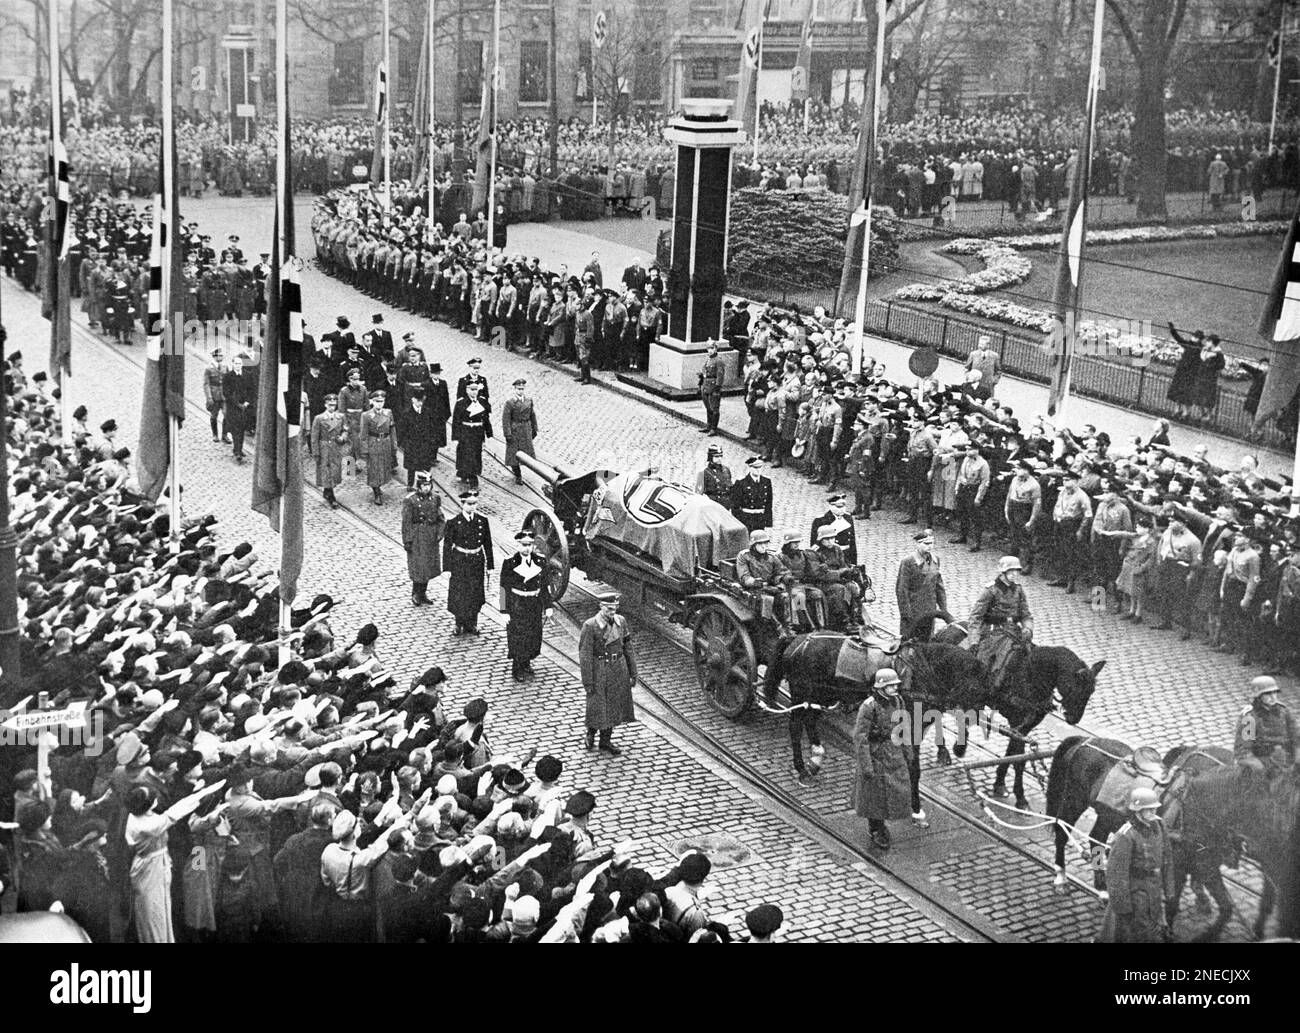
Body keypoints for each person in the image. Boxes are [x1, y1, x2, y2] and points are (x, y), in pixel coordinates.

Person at [851, 668, 923, 851]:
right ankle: (876, 828)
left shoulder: (898, 701)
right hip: (875, 755)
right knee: (874, 796)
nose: (895, 688)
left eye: (895, 685)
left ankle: (883, 824)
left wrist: (909, 752)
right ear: (881, 687)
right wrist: (866, 765)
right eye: (891, 686)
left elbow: (903, 726)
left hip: (894, 751)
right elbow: (860, 737)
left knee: (896, 790)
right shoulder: (869, 706)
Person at [1096, 787, 1174, 944]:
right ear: (1137, 811)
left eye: (1154, 808)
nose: (1153, 812)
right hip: (1134, 892)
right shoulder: (1126, 836)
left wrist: (1169, 889)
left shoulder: (1159, 826)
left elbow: (1167, 859)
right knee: (1134, 932)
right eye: (1148, 810)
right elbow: (1116, 873)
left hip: (1153, 889)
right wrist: (1122, 906)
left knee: (1153, 925)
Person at [578, 592, 637, 756]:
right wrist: (587, 682)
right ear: (601, 607)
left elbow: (628, 648)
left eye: (615, 609)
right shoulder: (590, 626)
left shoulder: (621, 622)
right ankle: (591, 732)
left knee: (614, 705)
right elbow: (585, 655)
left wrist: (633, 672)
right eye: (609, 609)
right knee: (597, 704)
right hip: (600, 669)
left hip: (618, 668)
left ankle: (605, 740)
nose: (612, 612)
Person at [967, 556, 1034, 692]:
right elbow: (975, 617)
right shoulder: (990, 590)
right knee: (988, 663)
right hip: (994, 632)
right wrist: (974, 640)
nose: (1015, 574)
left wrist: (1027, 629)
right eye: (1011, 571)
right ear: (1003, 573)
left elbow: (1026, 614)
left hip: (1014, 631)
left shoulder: (1019, 590)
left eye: (1017, 571)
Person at [499, 529, 553, 681]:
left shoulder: (540, 561)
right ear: (518, 545)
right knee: (518, 636)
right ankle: (517, 667)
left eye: (529, 545)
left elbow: (544, 586)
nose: (527, 548)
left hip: (534, 604)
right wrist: (504, 610)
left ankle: (527, 662)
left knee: (533, 634)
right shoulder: (510, 563)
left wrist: (548, 606)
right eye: (523, 545)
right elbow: (504, 588)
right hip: (517, 604)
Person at [442, 490, 494, 636]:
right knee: (460, 593)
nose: (472, 507)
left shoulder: (482, 521)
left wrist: (490, 566)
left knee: (475, 593)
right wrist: (447, 568)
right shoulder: (453, 522)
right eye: (469, 504)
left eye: (474, 504)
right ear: (462, 504)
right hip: (460, 561)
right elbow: (447, 546)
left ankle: (472, 623)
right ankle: (459, 623)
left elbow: (487, 544)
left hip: (477, 561)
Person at [1232, 676, 1296, 779]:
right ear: (1259, 696)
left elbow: (1295, 737)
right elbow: (1243, 751)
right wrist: (1258, 766)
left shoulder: (1284, 711)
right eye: (1268, 694)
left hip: (1284, 757)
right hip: (1263, 760)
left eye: (1275, 693)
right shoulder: (1250, 718)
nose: (1273, 697)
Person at [895, 529, 950, 642]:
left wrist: (944, 609)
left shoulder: (935, 560)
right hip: (914, 609)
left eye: (932, 543)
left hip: (929, 608)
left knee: (927, 640)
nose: (929, 547)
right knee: (909, 642)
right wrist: (906, 613)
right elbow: (902, 589)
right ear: (918, 544)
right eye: (926, 544)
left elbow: (939, 586)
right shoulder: (908, 561)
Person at [400, 472, 446, 607]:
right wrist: (407, 540)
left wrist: (440, 533)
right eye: (424, 485)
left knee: (429, 566)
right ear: (419, 486)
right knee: (418, 566)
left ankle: (423, 592)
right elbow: (406, 522)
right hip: (417, 536)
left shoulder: (435, 498)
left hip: (431, 536)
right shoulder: (411, 500)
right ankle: (416, 593)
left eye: (428, 485)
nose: (426, 488)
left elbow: (441, 518)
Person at [451, 380, 492, 488]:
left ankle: (468, 473)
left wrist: (489, 433)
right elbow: (456, 420)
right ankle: (472, 478)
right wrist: (456, 436)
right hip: (466, 432)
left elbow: (486, 418)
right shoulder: (461, 402)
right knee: (467, 454)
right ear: (467, 390)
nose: (474, 392)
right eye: (471, 390)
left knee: (476, 454)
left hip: (478, 433)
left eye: (476, 390)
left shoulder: (482, 402)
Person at [359, 390, 397, 505]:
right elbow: (363, 434)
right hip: (373, 443)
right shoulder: (366, 416)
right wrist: (364, 451)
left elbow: (392, 430)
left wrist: (394, 445)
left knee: (384, 467)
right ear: (372, 402)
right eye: (377, 401)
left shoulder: (388, 413)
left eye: (381, 401)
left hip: (385, 443)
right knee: (374, 468)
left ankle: (379, 487)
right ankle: (376, 491)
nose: (379, 404)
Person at [309, 393, 347, 508]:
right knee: (326, 470)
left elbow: (345, 429)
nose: (332, 407)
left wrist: (343, 437)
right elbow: (314, 437)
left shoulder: (340, 417)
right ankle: (331, 495)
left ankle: (327, 489)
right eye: (330, 405)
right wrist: (315, 452)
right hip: (324, 447)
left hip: (336, 447)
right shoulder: (319, 418)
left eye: (334, 405)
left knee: (335, 470)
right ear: (325, 405)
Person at [951, 443, 990, 550]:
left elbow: (985, 482)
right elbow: (960, 474)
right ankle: (963, 535)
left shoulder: (983, 464)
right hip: (964, 488)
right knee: (962, 513)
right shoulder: (966, 460)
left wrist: (979, 497)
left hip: (974, 489)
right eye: (967, 450)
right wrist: (957, 487)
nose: (967, 452)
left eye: (970, 450)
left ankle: (976, 542)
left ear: (977, 450)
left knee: (975, 517)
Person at [501, 378, 538, 485]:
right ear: (514, 389)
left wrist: (535, 428)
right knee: (514, 454)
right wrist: (507, 433)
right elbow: (506, 419)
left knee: (527, 452)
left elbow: (532, 415)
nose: (520, 391)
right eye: (518, 389)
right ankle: (518, 475)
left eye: (522, 389)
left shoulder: (529, 400)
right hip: (515, 429)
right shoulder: (510, 402)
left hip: (526, 429)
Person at [731, 456, 774, 534]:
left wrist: (768, 523)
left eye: (760, 467)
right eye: (755, 468)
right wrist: (738, 523)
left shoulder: (766, 481)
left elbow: (769, 503)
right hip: (746, 518)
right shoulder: (741, 483)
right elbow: (735, 505)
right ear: (750, 468)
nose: (758, 470)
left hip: (760, 519)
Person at [695, 444, 733, 510]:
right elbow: (699, 495)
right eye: (716, 456)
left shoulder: (726, 470)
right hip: (711, 507)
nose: (719, 459)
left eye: (721, 456)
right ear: (710, 457)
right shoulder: (703, 473)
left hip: (725, 507)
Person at [699, 341, 724, 435]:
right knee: (708, 407)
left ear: (716, 349)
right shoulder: (708, 359)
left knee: (714, 408)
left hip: (713, 386)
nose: (710, 351)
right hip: (705, 384)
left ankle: (714, 428)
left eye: (712, 348)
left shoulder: (719, 361)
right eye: (708, 349)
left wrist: (717, 387)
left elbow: (720, 375)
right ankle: (708, 425)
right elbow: (703, 370)